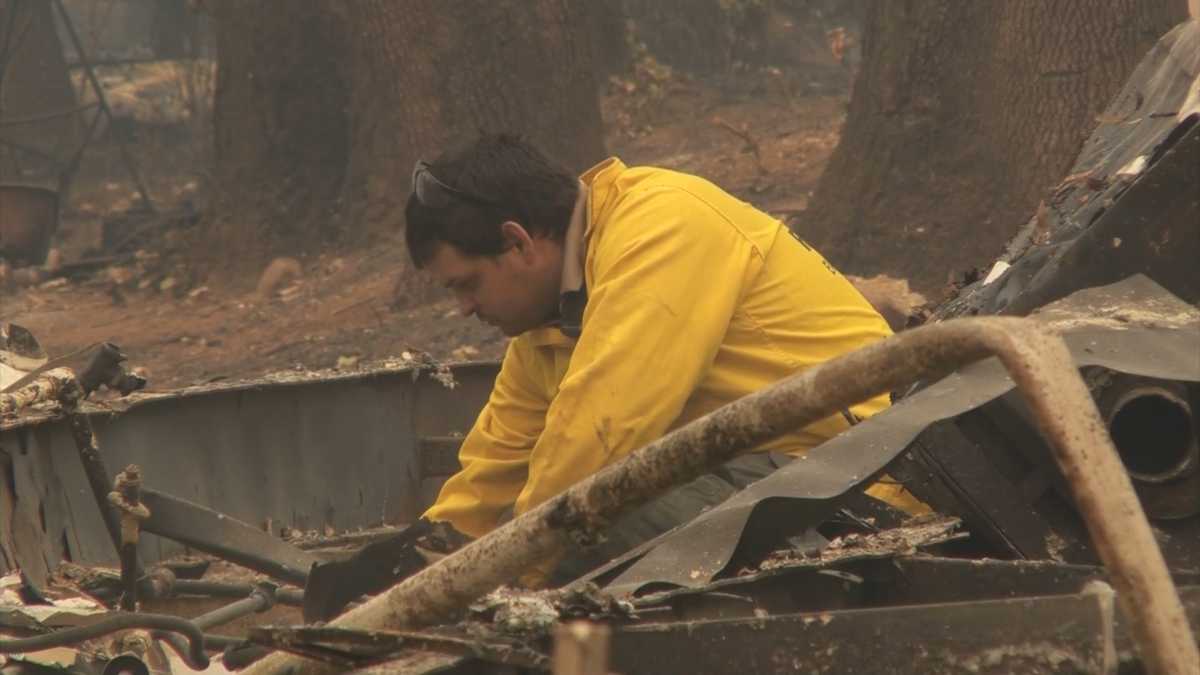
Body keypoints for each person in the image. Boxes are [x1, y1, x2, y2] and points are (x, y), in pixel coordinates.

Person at [406, 134, 923, 582]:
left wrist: (503, 587)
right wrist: (418, 567)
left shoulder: (661, 224)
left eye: (466, 285)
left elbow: (599, 436)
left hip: (859, 490)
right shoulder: (544, 330)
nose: (465, 308)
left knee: (593, 533)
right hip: (768, 485)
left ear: (517, 243)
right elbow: (489, 479)